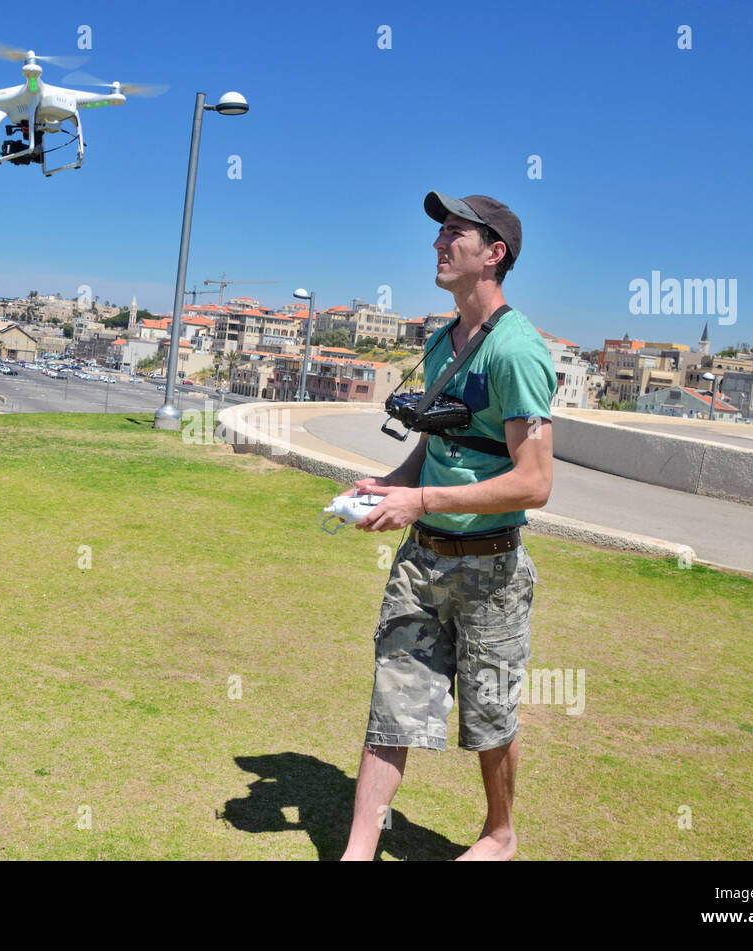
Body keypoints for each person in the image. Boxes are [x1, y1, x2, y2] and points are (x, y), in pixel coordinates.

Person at [341, 192, 557, 861]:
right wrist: (393, 483)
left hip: (490, 567)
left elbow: (535, 482)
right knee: (392, 704)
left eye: (454, 233)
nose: (438, 243)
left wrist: (421, 500)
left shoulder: (518, 351)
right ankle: (358, 850)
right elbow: (436, 444)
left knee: (489, 718)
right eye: (439, 233)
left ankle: (500, 834)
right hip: (421, 560)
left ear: (493, 254)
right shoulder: (442, 341)